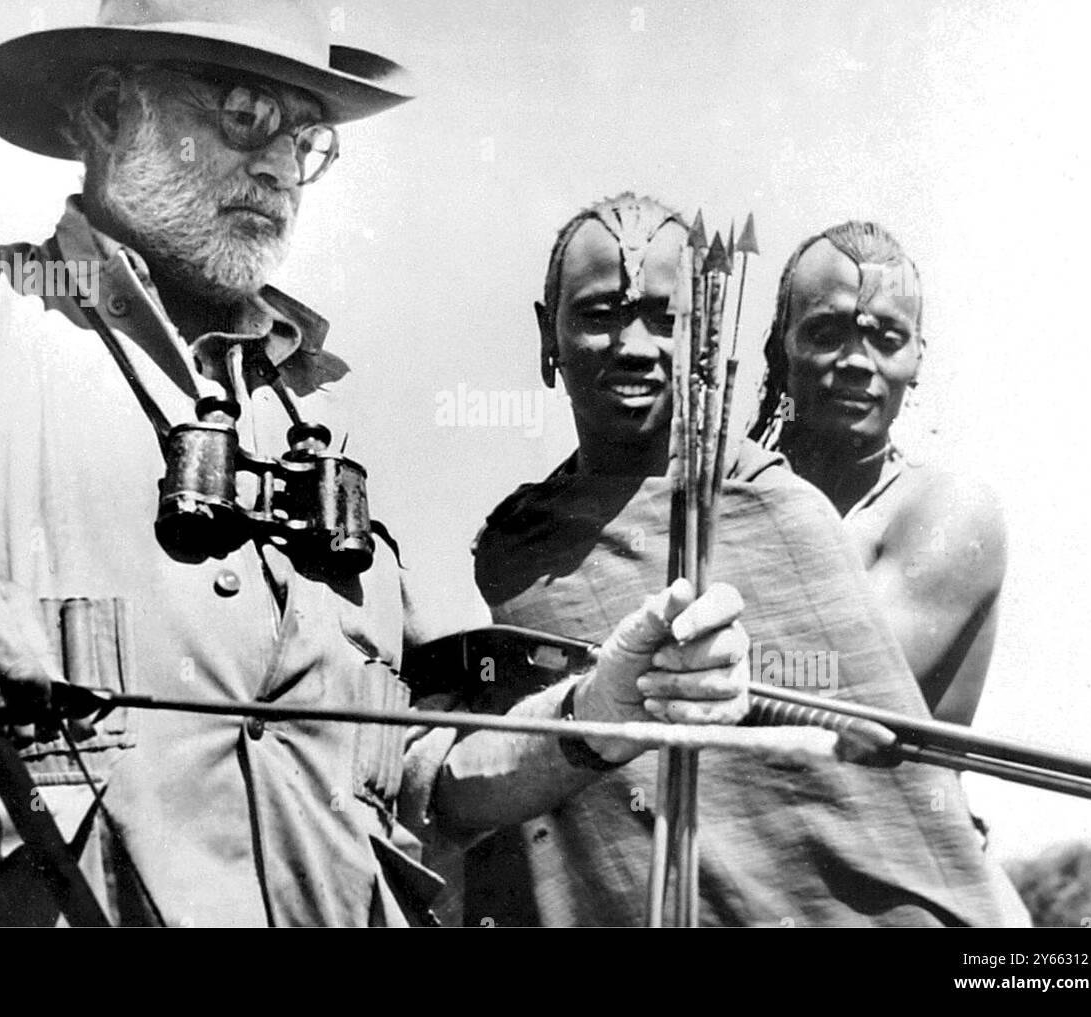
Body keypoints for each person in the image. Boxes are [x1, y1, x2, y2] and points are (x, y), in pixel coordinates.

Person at [0, 0, 755, 929]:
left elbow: (424, 775)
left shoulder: (327, 420)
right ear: (108, 110)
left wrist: (597, 716)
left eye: (303, 137)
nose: (278, 167)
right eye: (242, 115)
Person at [432, 193, 1028, 926]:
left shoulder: (810, 509)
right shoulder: (518, 541)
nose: (636, 345)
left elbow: (827, 722)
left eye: (667, 318)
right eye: (597, 314)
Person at [749, 222, 1004, 725]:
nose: (856, 363)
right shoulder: (733, 492)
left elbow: (843, 684)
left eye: (886, 340)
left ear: (916, 360)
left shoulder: (949, 509)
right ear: (781, 347)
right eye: (826, 333)